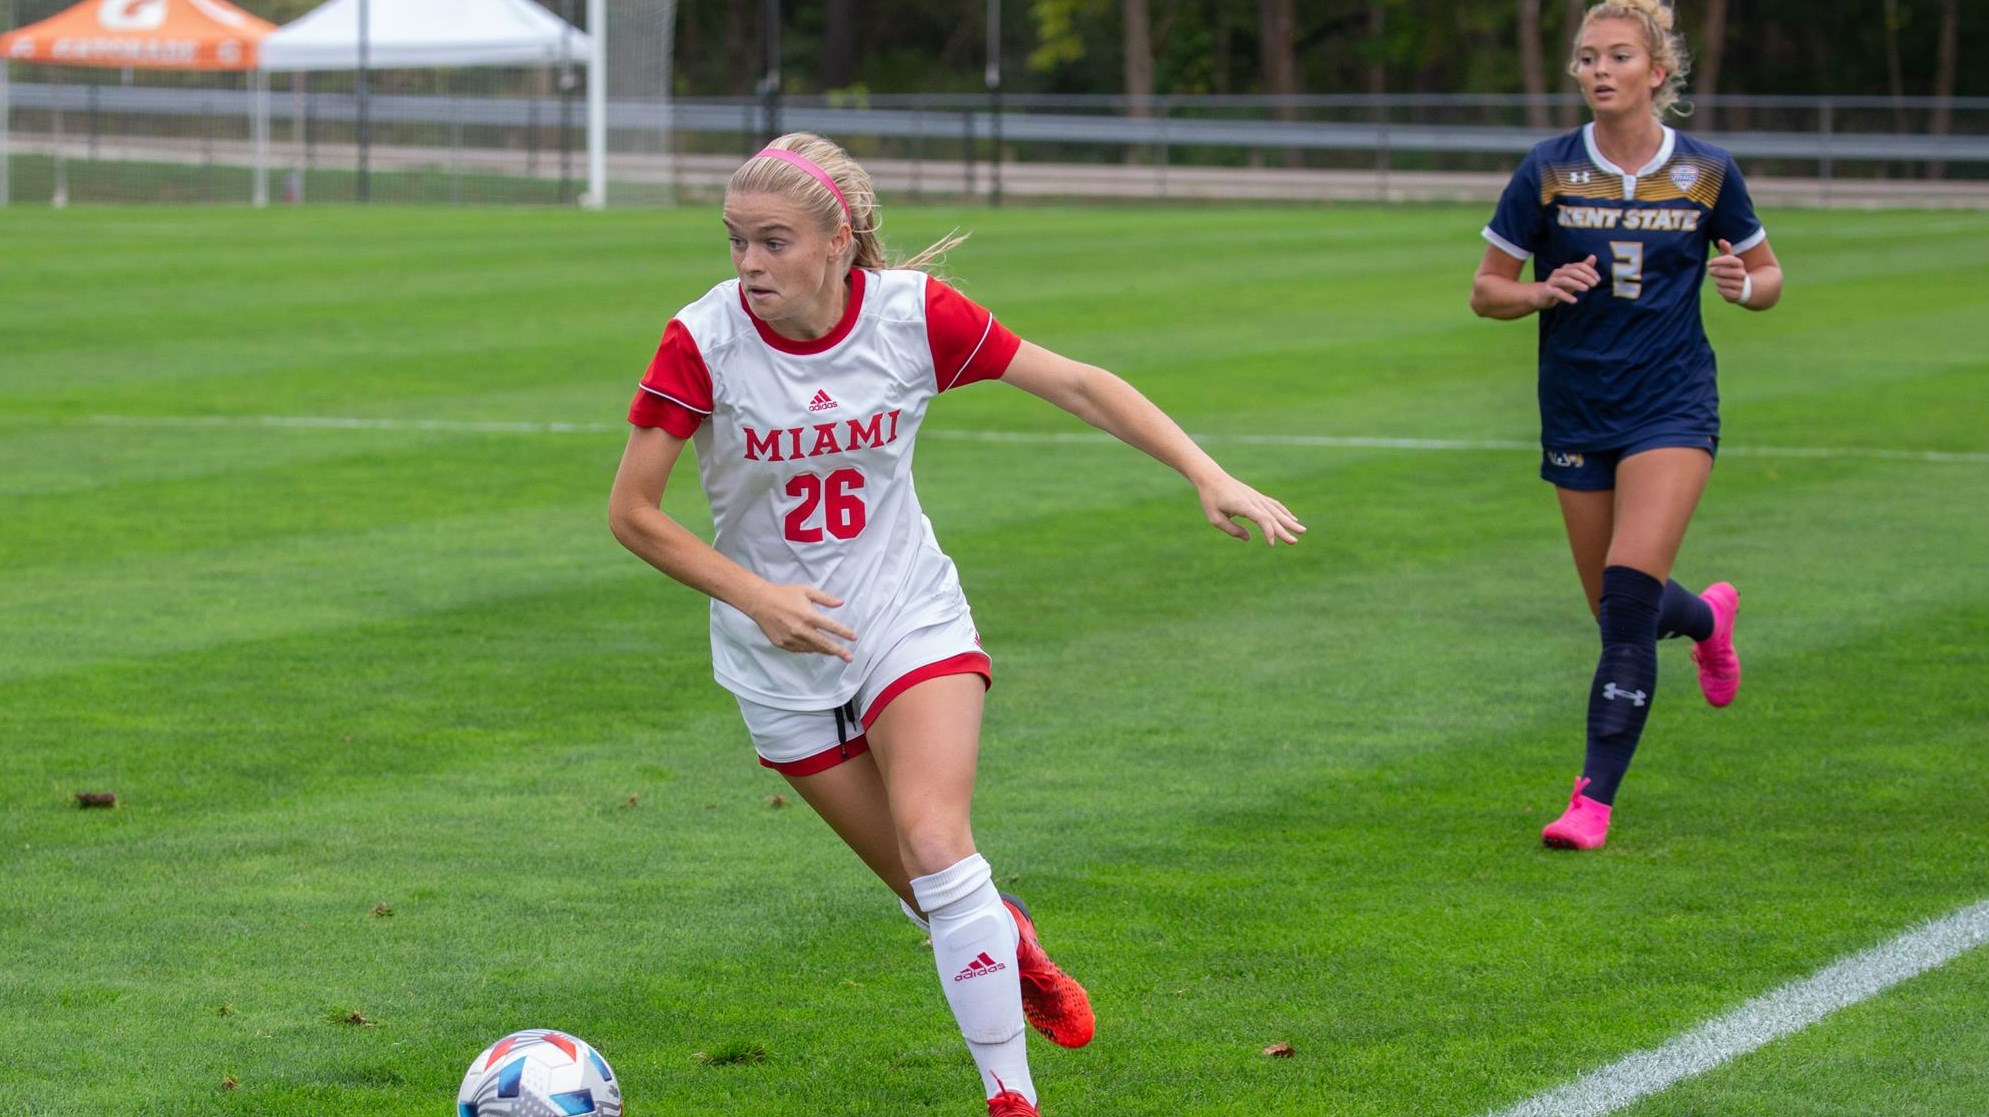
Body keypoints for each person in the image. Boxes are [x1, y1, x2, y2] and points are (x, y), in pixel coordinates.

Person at [608, 133, 1305, 1116]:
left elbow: (1075, 381)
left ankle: (1009, 1097)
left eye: (773, 242)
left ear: (839, 241)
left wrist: (1207, 470)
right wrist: (756, 595)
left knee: (937, 841)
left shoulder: (912, 317)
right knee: (927, 893)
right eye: (735, 242)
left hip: (906, 611)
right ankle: (1007, 935)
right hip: (776, 654)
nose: (749, 265)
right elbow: (631, 512)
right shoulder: (701, 339)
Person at [1468, 0, 1783, 850]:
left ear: (1656, 71)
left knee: (1628, 595)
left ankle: (1591, 800)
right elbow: (1485, 289)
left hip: (1671, 405)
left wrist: (1743, 288)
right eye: (1584, 58)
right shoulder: (1546, 169)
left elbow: (1766, 272)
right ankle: (1710, 622)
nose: (1598, 70)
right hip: (1575, 407)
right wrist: (1538, 291)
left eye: (1615, 56)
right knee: (1617, 612)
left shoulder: (1708, 172)